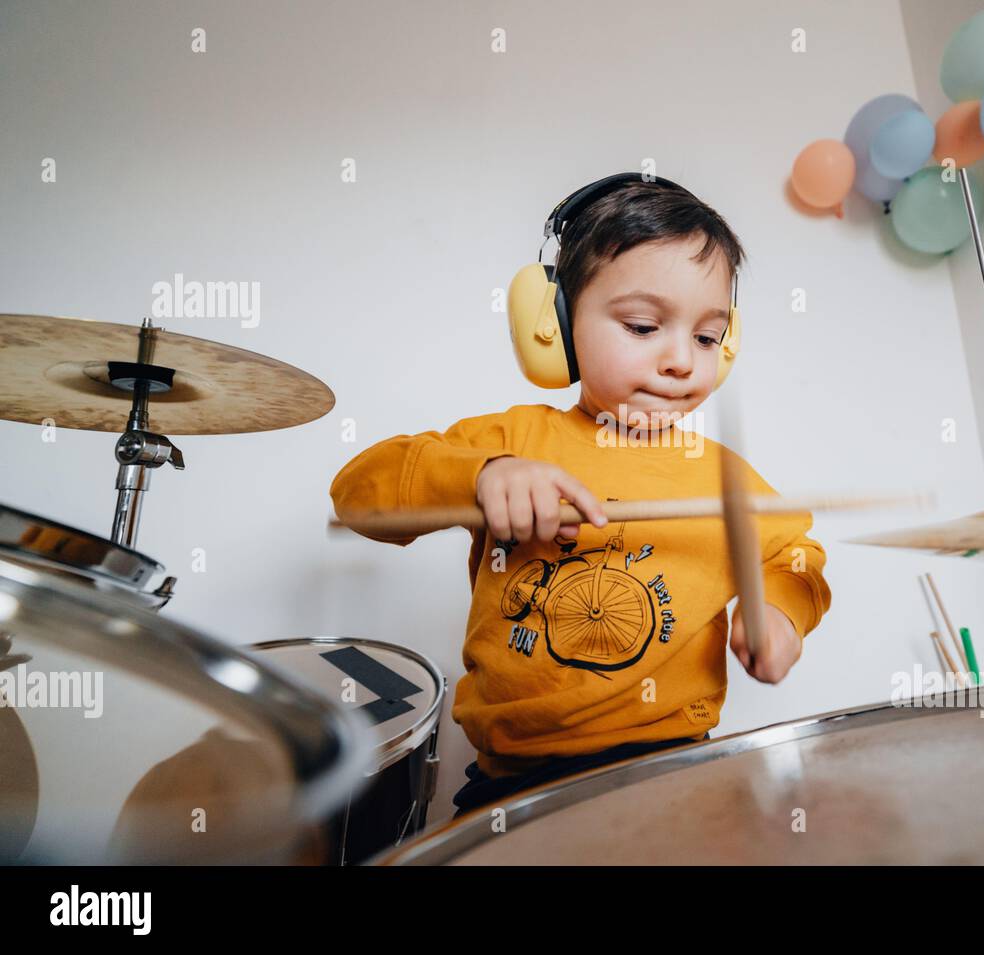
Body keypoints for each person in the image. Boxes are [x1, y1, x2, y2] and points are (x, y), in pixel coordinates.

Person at [330, 174, 831, 819]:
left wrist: (780, 614)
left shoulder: (724, 477)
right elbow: (358, 494)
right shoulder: (511, 439)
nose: (682, 359)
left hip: (676, 765)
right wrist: (482, 476)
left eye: (707, 337)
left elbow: (796, 554)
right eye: (644, 325)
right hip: (513, 783)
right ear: (557, 325)